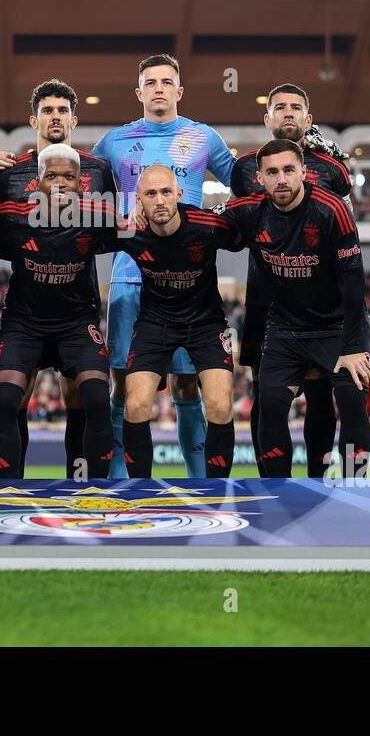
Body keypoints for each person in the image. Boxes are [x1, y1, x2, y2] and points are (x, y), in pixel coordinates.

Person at [91, 54, 235, 478]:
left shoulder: (202, 136)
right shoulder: (115, 141)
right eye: (150, 82)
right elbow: (77, 179)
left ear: (179, 91)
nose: (158, 88)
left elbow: (246, 182)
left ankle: (199, 481)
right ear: (138, 92)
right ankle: (122, 482)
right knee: (123, 381)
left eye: (166, 81)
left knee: (187, 383)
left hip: (190, 281)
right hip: (129, 276)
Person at [229, 83, 367, 476]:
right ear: (267, 118)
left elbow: (343, 248)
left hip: (322, 297)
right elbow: (245, 219)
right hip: (267, 301)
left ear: (309, 120)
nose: (287, 114)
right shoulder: (243, 169)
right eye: (279, 108)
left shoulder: (333, 170)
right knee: (266, 396)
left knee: (324, 393)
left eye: (295, 108)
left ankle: (321, 479)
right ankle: (275, 485)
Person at [0, 79, 116, 473]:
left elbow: (115, 231)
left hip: (78, 310)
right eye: (48, 110)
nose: (55, 117)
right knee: (12, 398)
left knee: (85, 398)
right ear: (34, 119)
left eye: (62, 111)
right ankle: (10, 490)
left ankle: (84, 487)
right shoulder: (10, 173)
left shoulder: (99, 171)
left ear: (74, 119)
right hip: (25, 311)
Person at [115, 166, 241, 477]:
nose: (159, 200)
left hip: (206, 324)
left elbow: (248, 225)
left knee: (221, 406)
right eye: (150, 194)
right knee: (135, 406)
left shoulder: (208, 225)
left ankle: (216, 491)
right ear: (139, 200)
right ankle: (140, 491)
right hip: (154, 323)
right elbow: (80, 221)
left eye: (166, 192)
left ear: (180, 195)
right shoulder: (127, 230)